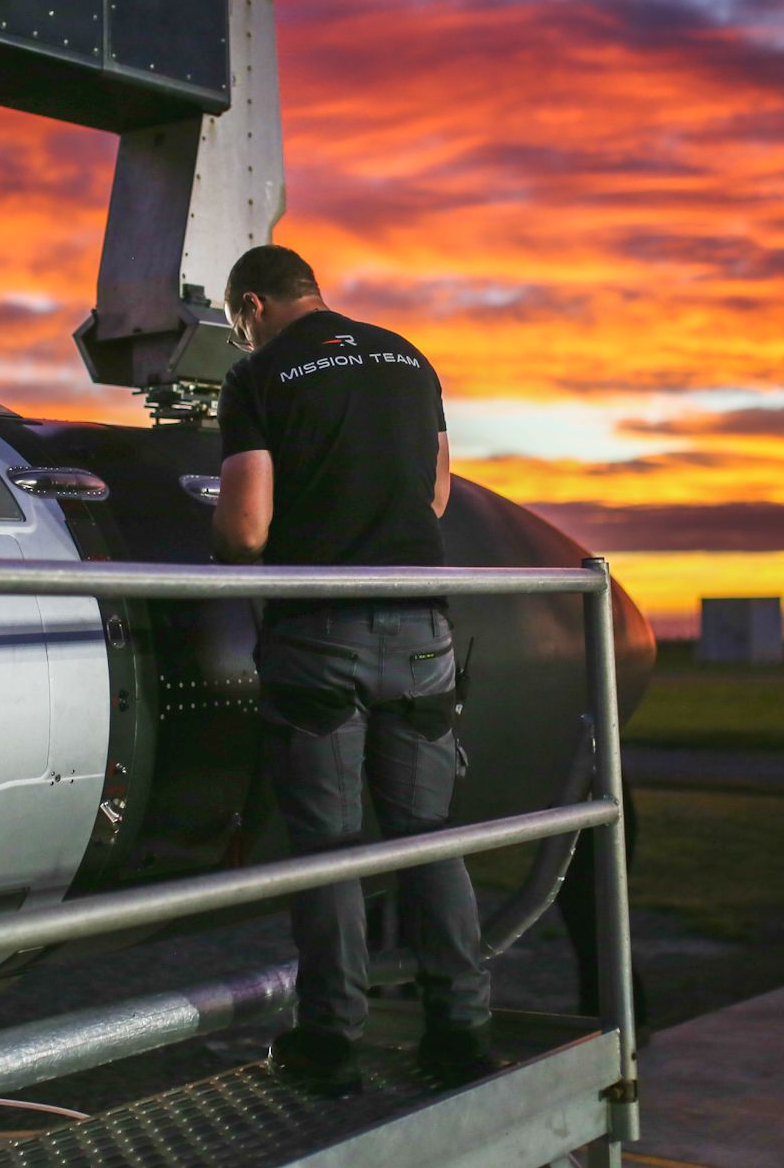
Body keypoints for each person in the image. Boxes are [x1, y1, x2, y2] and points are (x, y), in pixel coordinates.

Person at [212, 244, 497, 1095]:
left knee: (329, 848)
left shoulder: (259, 374)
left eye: (236, 324)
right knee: (429, 838)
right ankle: (462, 1030)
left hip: (319, 635)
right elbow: (436, 494)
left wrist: (224, 542)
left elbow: (247, 531)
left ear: (252, 306)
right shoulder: (409, 358)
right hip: (421, 631)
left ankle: (329, 1044)